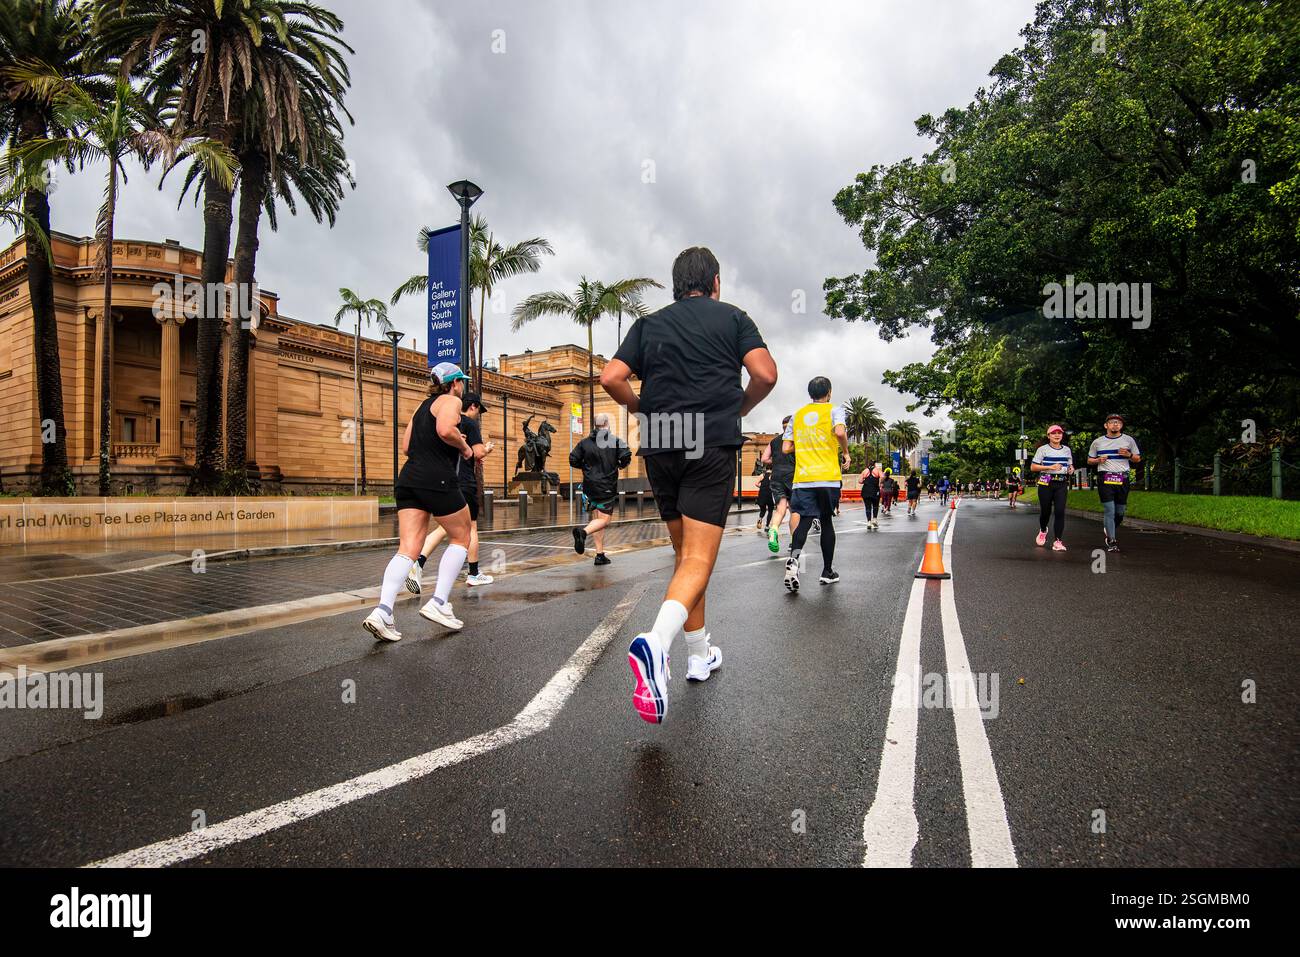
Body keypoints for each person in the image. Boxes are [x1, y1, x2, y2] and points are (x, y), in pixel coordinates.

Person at [601, 246, 777, 723]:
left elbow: (611, 376)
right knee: (700, 559)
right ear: (715, 282)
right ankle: (657, 645)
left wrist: (641, 409)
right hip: (708, 441)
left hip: (660, 443)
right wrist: (738, 409)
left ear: (676, 284)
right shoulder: (733, 317)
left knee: (686, 560)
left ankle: (698, 654)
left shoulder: (649, 324)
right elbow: (765, 374)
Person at [363, 362, 474, 641]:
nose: (462, 386)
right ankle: (438, 603)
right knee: (462, 536)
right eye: (461, 381)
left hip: (409, 478)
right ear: (454, 383)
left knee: (408, 548)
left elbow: (405, 446)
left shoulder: (421, 406)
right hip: (437, 477)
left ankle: (383, 611)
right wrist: (464, 446)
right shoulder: (450, 400)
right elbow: (446, 429)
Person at [405, 390, 493, 594]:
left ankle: (418, 561)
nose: (478, 415)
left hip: (440, 478)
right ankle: (473, 573)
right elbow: (477, 452)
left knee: (445, 527)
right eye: (479, 411)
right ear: (473, 407)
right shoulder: (469, 424)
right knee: (470, 527)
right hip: (463, 481)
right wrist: (486, 449)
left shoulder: (439, 417)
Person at [782, 377, 849, 592]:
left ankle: (793, 559)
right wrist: (846, 452)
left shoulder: (797, 415)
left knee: (804, 521)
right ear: (829, 392)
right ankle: (827, 571)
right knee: (827, 521)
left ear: (810, 393)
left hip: (803, 479)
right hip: (827, 477)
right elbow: (839, 432)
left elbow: (785, 448)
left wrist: (805, 445)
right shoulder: (835, 410)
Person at [569, 412, 632, 565]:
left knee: (597, 518)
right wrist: (618, 465)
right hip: (606, 486)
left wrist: (586, 468)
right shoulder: (616, 441)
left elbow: (573, 459)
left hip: (589, 487)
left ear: (595, 425)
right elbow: (626, 456)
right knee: (604, 520)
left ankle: (599, 554)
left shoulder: (584, 443)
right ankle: (583, 533)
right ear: (607, 424)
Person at [1087, 413, 1141, 552]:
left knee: (1120, 512)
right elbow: (1089, 460)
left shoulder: (1129, 440)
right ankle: (1112, 540)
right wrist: (1098, 460)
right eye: (1112, 422)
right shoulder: (1097, 442)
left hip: (1122, 478)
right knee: (1109, 510)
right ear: (1106, 425)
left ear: (1121, 426)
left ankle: (1109, 528)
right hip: (1105, 478)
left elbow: (1137, 459)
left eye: (1118, 422)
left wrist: (1128, 455)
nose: (1115, 424)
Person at [1031, 425, 1074, 551]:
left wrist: (1071, 469)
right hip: (1046, 482)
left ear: (1062, 435)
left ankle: (1058, 541)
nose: (1057, 435)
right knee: (1046, 511)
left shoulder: (1066, 450)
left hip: (1061, 483)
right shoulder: (1042, 450)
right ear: (1048, 436)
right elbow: (1033, 467)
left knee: (1060, 511)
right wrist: (1049, 467)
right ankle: (1043, 529)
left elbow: (1070, 465)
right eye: (1053, 433)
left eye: (1059, 433)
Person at [761, 415, 797, 553]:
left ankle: (774, 529)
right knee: (794, 510)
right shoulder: (795, 441)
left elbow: (764, 458)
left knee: (780, 509)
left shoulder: (774, 441)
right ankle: (794, 542)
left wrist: (775, 461)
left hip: (776, 477)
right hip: (792, 477)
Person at [859, 460, 881, 528]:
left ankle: (868, 522)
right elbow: (883, 477)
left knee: (867, 507)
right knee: (875, 506)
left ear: (868, 464)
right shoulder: (877, 470)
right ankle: (874, 520)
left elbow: (860, 481)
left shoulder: (864, 471)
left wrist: (865, 482)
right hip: (875, 490)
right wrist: (879, 483)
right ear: (874, 465)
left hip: (866, 490)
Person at [756, 468, 774, 532]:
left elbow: (756, 484)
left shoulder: (762, 475)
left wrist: (762, 487)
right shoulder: (772, 476)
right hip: (769, 495)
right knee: (770, 510)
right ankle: (767, 526)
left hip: (762, 494)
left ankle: (760, 518)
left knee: (762, 509)